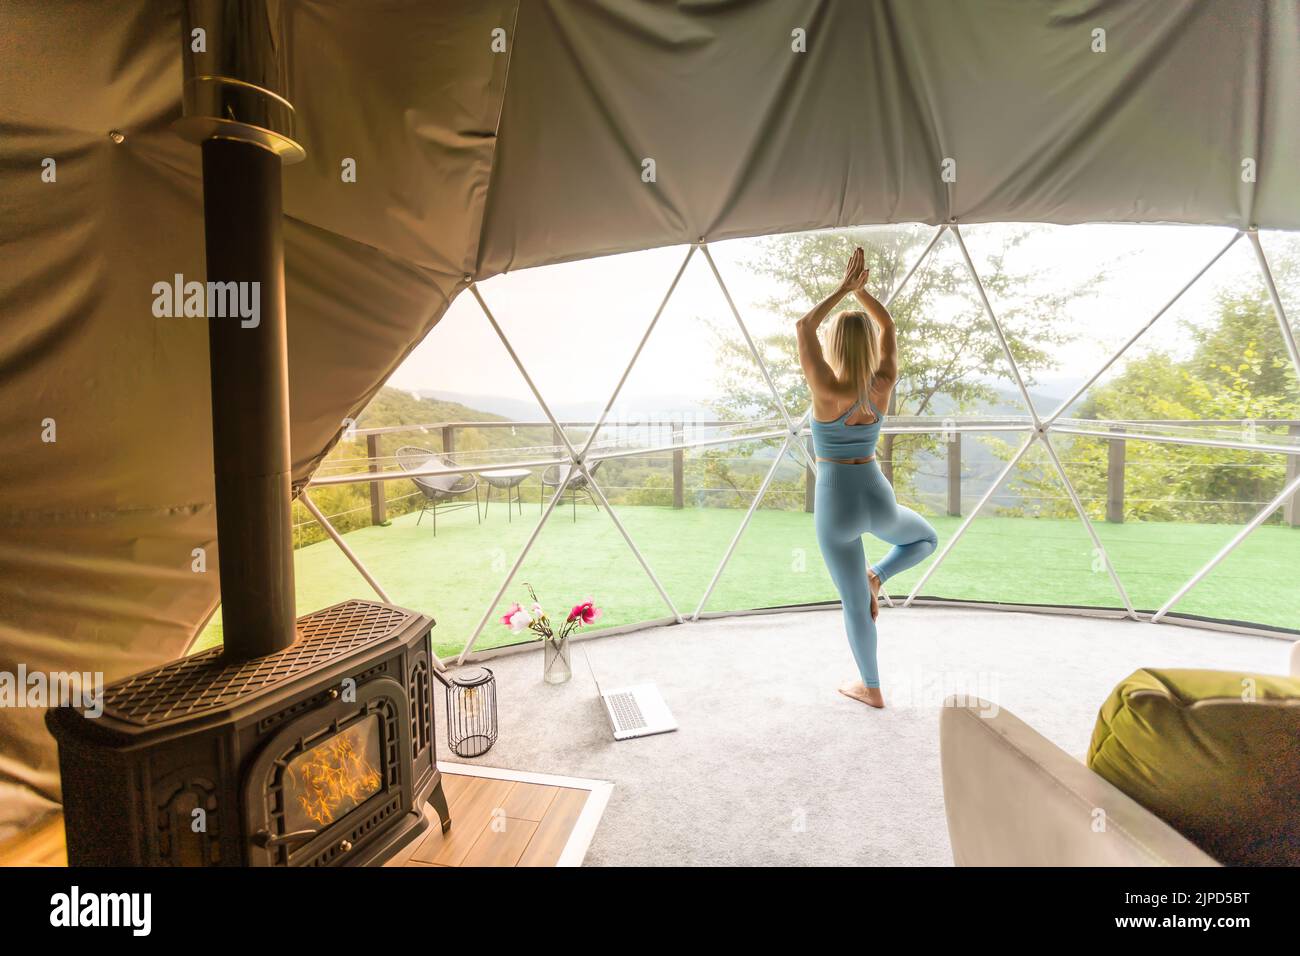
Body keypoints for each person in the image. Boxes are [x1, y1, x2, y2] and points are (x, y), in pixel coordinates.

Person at [796, 247, 938, 708]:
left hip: (835, 499)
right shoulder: (884, 380)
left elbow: (803, 327)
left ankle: (870, 687)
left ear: (835, 347)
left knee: (854, 603)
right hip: (876, 493)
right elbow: (889, 327)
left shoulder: (825, 388)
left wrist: (842, 290)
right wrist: (864, 293)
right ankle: (878, 574)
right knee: (924, 539)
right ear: (870, 347)